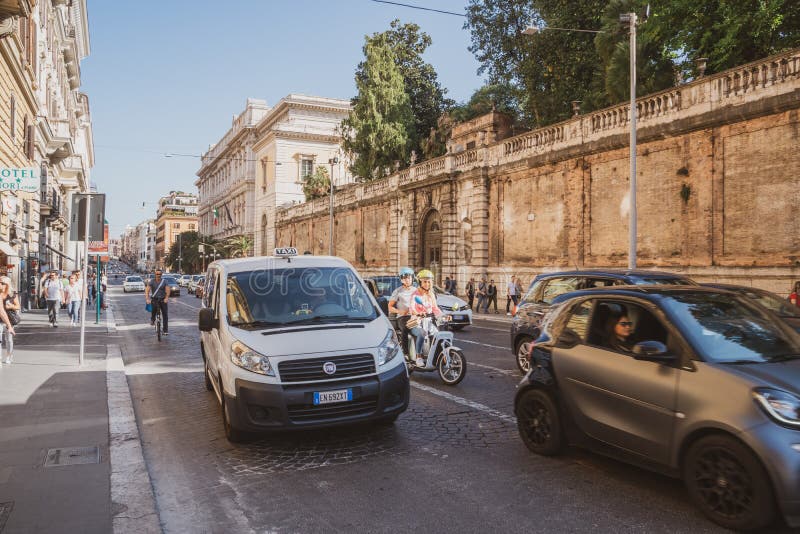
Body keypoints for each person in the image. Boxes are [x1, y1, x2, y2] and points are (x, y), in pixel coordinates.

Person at [407, 269, 447, 367]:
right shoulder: (415, 295)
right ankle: (418, 357)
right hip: (415, 322)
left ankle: (437, 357)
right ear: (419, 282)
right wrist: (419, 313)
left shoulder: (431, 295)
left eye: (429, 281)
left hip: (428, 322)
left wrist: (444, 316)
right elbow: (412, 309)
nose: (427, 284)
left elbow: (435, 309)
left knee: (438, 335)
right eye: (425, 281)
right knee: (422, 333)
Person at [388, 267, 417, 357]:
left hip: (415, 316)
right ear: (401, 279)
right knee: (406, 328)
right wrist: (401, 311)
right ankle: (405, 353)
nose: (407, 280)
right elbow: (390, 307)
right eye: (404, 278)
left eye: (409, 277)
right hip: (402, 317)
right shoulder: (397, 291)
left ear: (412, 278)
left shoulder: (416, 290)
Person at [145, 269, 171, 335]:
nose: (158, 275)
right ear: (155, 274)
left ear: (161, 275)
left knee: (165, 315)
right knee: (153, 310)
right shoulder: (152, 281)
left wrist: (166, 298)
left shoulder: (164, 281)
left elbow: (168, 290)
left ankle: (165, 330)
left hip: (163, 299)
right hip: (154, 299)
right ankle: (153, 319)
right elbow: (147, 290)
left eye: (160, 274)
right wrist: (147, 299)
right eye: (157, 274)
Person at [0, 276, 19, 364]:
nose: (0, 284)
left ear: (7, 284)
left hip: (9, 319)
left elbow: (18, 306)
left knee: (8, 339)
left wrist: (11, 306)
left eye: (2, 283)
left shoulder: (12, 294)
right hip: (0, 319)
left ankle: (9, 355)